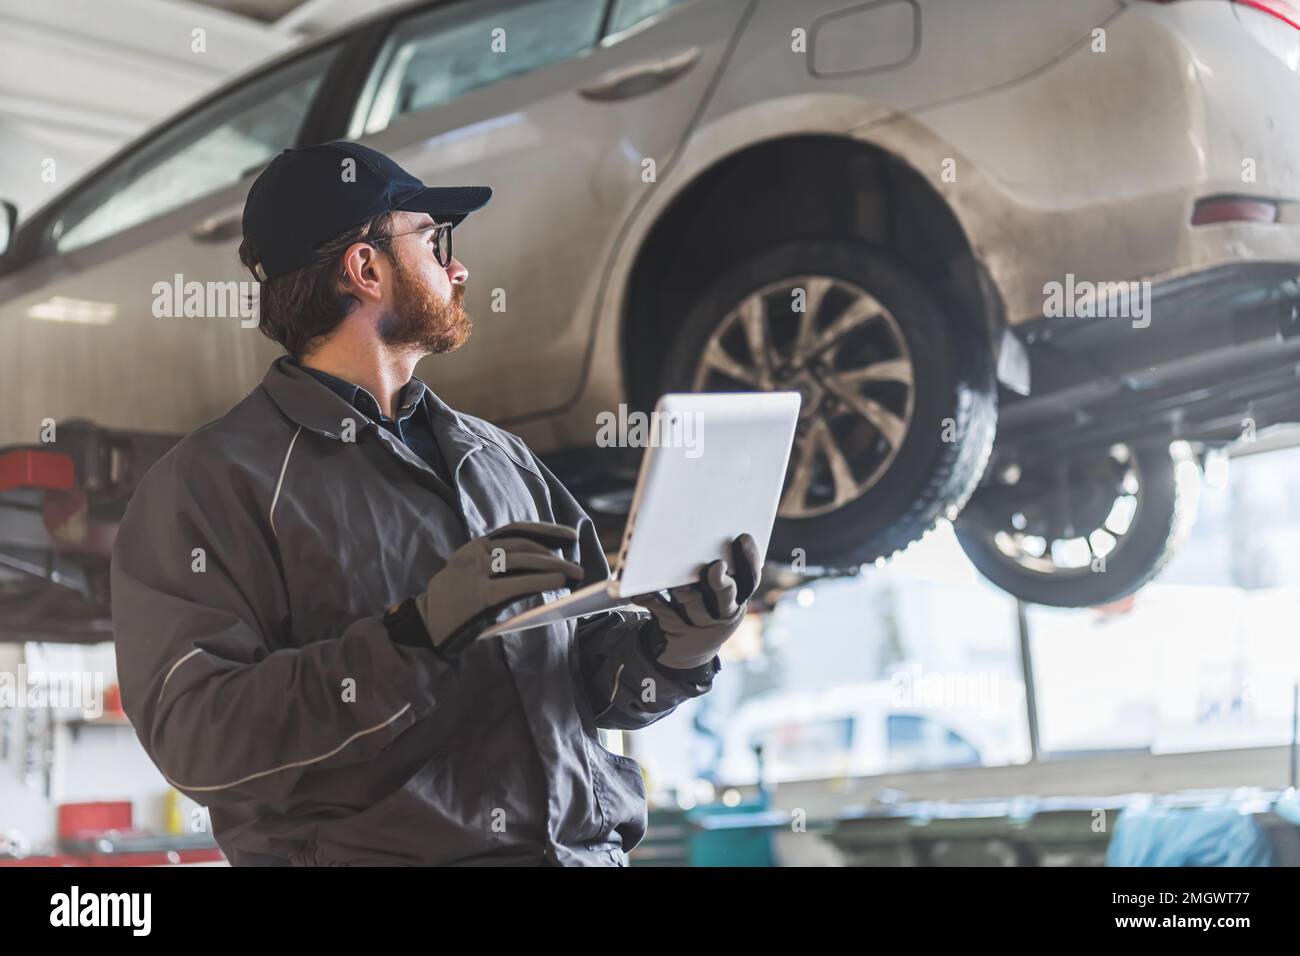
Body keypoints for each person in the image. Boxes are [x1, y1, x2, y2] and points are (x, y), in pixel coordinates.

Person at [110, 141, 760, 866]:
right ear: (365, 267)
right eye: (434, 238)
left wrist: (678, 642)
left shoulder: (500, 458)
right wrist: (414, 638)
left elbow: (583, 685)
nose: (458, 266)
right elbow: (200, 741)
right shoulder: (211, 486)